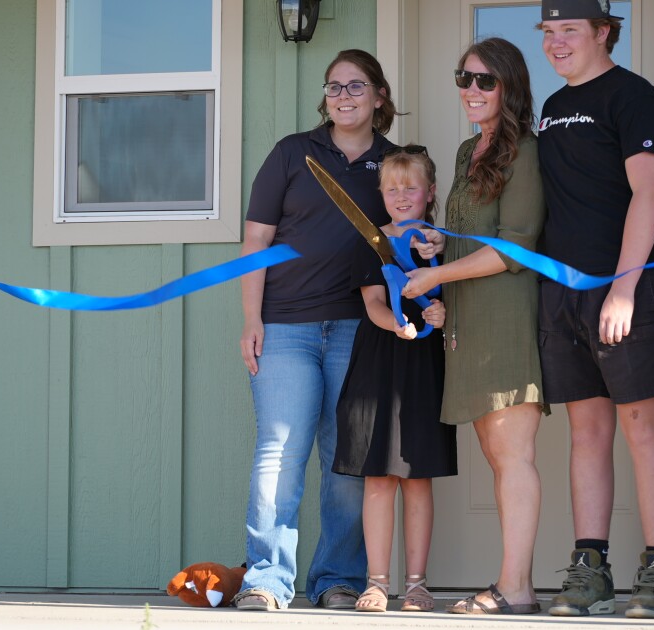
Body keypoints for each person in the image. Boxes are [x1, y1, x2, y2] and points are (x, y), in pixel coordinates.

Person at [534, 0, 654, 619]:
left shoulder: (635, 97)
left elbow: (649, 194)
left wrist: (623, 289)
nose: (556, 42)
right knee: (586, 433)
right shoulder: (549, 109)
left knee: (645, 430)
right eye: (547, 32)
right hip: (562, 294)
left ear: (603, 32)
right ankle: (589, 569)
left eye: (569, 29)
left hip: (630, 289)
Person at [234, 49, 399, 612]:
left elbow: (410, 237)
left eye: (357, 86)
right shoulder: (293, 154)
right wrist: (251, 319)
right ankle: (266, 579)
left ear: (380, 96)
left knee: (347, 459)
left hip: (361, 329)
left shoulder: (396, 164)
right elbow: (254, 242)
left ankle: (338, 580)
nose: (344, 96)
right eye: (335, 86)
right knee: (278, 451)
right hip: (284, 327)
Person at [400, 37, 547, 616]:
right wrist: (441, 242)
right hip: (466, 319)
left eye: (486, 80)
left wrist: (435, 279)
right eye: (464, 77)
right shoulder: (467, 152)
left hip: (505, 313)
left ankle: (515, 588)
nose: (472, 90)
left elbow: (515, 248)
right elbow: (471, 232)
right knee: (497, 453)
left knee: (513, 454)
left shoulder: (525, 151)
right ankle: (513, 584)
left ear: (509, 86)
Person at [332, 146, 457, 613]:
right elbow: (373, 304)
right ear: (381, 194)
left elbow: (448, 296)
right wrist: (397, 325)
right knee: (379, 478)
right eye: (392, 188)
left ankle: (418, 584)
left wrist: (439, 313)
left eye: (411, 187)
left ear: (429, 192)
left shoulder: (441, 242)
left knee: (417, 476)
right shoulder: (370, 239)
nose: (402, 195)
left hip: (424, 364)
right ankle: (378, 582)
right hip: (380, 360)